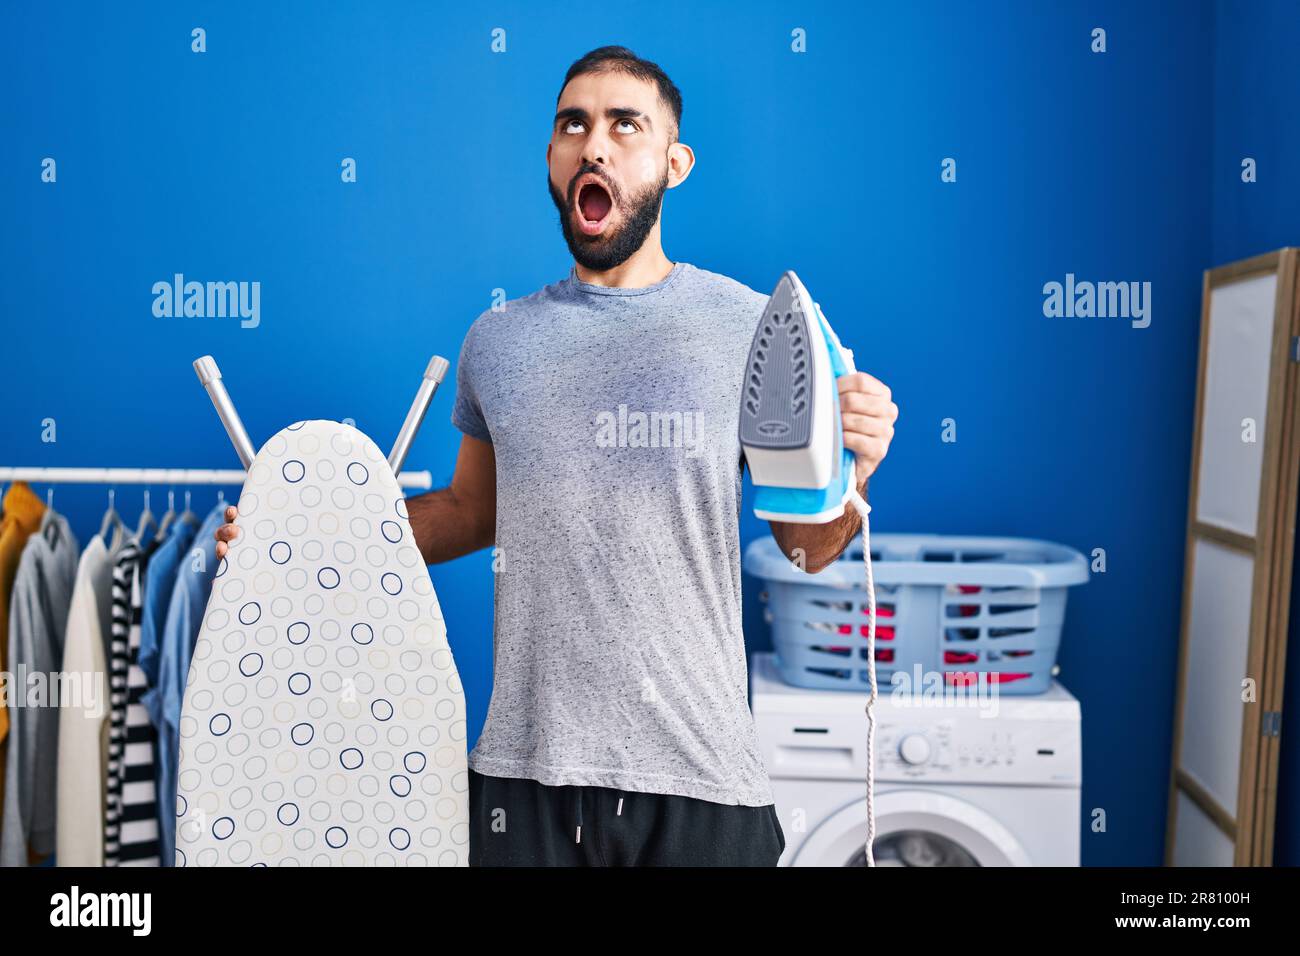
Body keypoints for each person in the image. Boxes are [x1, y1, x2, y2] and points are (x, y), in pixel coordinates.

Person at [216, 45, 898, 866]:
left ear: (674, 163)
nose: (595, 144)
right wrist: (300, 536)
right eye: (573, 124)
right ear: (552, 156)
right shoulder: (498, 341)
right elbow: (471, 513)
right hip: (522, 781)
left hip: (703, 779)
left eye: (624, 125)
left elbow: (806, 546)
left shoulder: (749, 327)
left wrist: (853, 475)